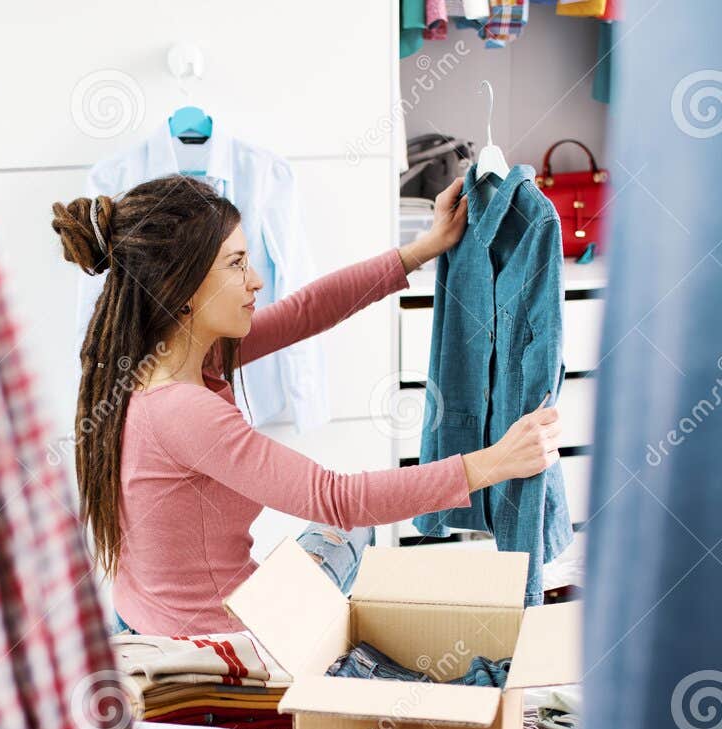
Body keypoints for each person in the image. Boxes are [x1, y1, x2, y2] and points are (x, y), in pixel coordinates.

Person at [51, 174, 561, 637]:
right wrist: (494, 462)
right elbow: (334, 498)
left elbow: (306, 311)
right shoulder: (183, 412)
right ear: (179, 290)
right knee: (349, 524)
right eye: (236, 264)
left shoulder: (147, 356)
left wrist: (422, 249)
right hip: (218, 645)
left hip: (141, 615)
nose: (256, 280)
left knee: (345, 531)